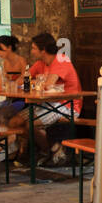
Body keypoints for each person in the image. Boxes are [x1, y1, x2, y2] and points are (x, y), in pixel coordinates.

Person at [13, 32, 82, 166]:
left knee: (30, 124)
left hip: (68, 106)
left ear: (43, 50)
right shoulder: (40, 63)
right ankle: (50, 149)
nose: (31, 52)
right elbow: (20, 80)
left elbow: (48, 84)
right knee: (14, 122)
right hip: (48, 104)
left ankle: (51, 150)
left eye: (33, 48)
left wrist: (31, 83)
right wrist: (33, 83)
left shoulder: (61, 60)